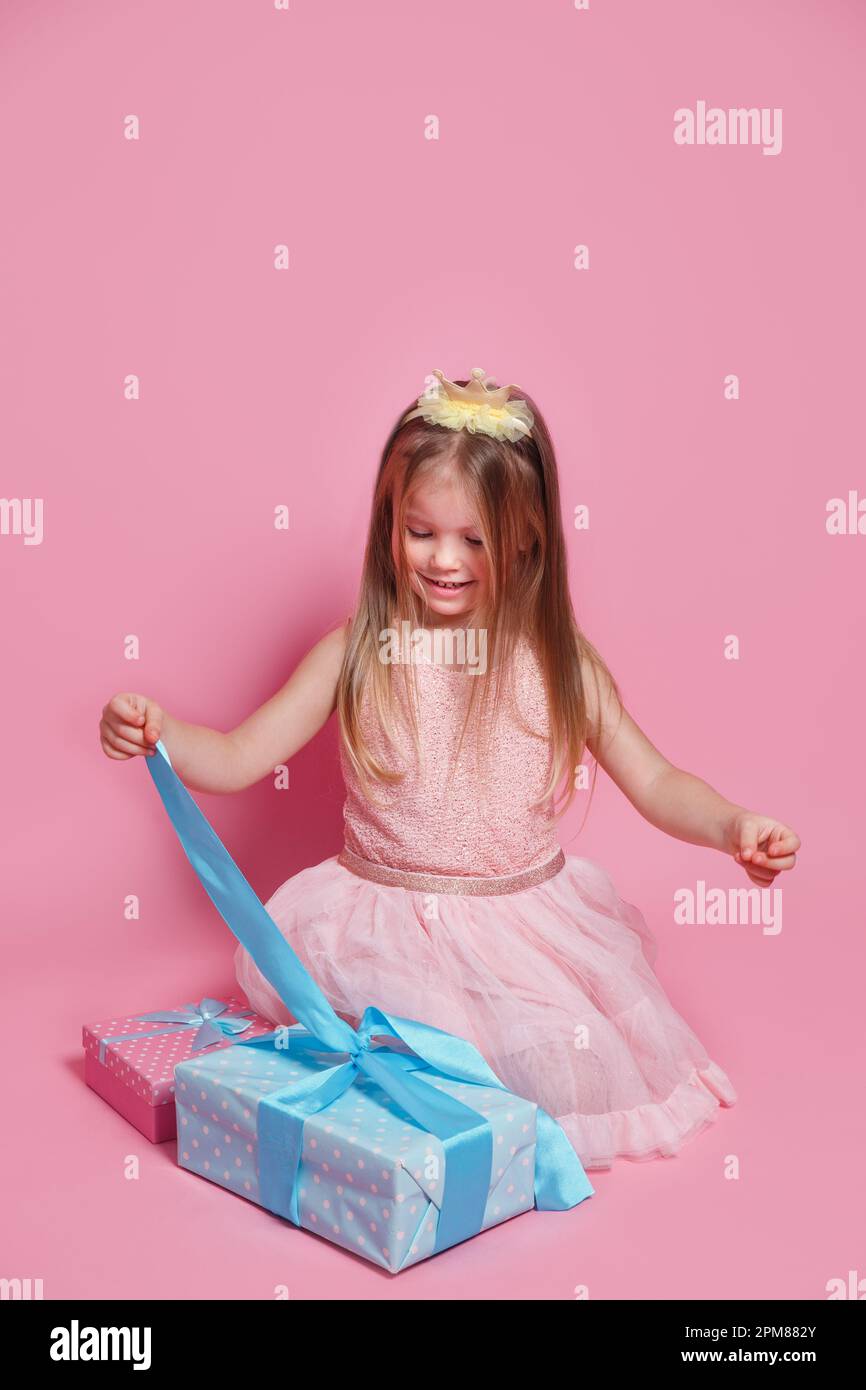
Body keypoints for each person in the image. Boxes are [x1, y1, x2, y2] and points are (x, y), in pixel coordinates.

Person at [99, 367, 800, 1169]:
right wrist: (162, 734)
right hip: (381, 933)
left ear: (528, 537)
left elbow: (658, 782)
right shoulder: (358, 649)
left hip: (518, 933)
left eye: (475, 539)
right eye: (420, 531)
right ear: (388, 524)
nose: (443, 560)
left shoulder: (560, 663)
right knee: (385, 1096)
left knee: (540, 1071)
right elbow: (237, 756)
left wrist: (731, 827)